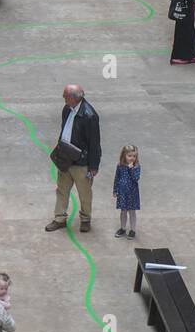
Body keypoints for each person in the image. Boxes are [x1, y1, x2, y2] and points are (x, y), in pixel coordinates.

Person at [45, 84, 101, 234]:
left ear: (74, 97)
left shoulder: (90, 116)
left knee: (84, 193)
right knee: (62, 190)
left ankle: (85, 219)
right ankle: (59, 218)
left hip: (81, 163)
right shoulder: (67, 109)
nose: (63, 98)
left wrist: (93, 166)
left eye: (65, 96)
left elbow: (94, 143)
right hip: (65, 158)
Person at [113, 145, 141, 240]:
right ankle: (123, 228)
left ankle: (132, 230)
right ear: (124, 155)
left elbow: (136, 178)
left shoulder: (136, 167)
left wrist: (131, 169)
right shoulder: (120, 166)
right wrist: (115, 190)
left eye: (134, 156)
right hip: (122, 192)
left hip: (132, 193)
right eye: (129, 156)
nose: (132, 158)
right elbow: (117, 178)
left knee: (132, 212)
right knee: (123, 211)